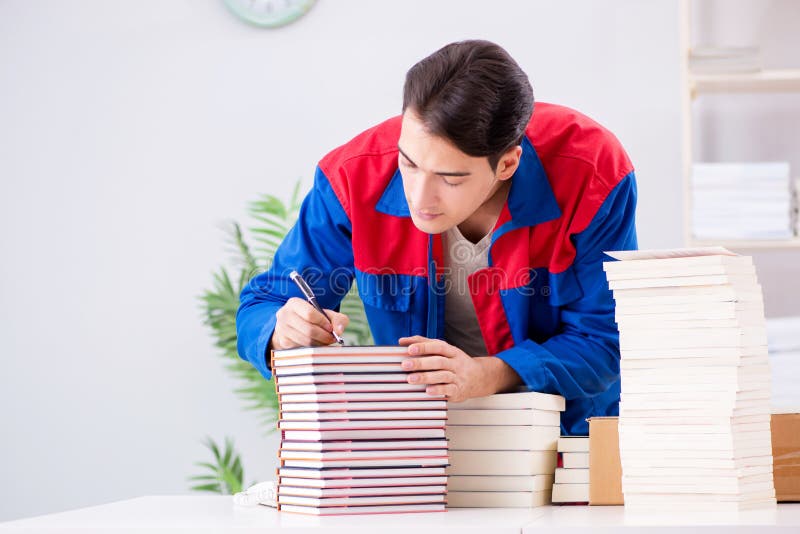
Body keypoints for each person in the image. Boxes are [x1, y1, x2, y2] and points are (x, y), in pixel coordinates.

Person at [236, 40, 637, 435]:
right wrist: (280, 329)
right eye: (408, 164)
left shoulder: (592, 173)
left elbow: (603, 340)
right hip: (420, 446)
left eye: (450, 178)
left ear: (507, 163)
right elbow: (264, 302)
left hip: (568, 438)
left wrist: (488, 374)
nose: (418, 197)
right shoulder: (351, 178)